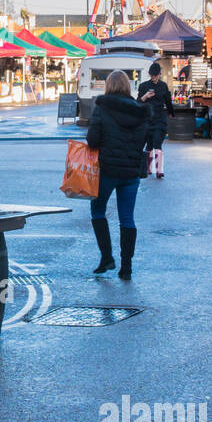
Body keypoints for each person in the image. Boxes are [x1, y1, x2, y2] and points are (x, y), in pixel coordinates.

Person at [85, 69, 149, 279]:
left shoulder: (101, 107)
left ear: (109, 86)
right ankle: (126, 267)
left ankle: (106, 257)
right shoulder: (140, 111)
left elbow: (93, 140)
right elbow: (144, 140)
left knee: (97, 210)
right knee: (127, 218)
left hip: (107, 169)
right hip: (131, 171)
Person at [137, 61, 173, 178]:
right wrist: (146, 96)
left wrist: (171, 113)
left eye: (155, 75)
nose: (153, 78)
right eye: (151, 75)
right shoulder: (143, 86)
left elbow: (168, 101)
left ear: (159, 74)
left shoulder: (163, 86)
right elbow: (138, 102)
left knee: (158, 141)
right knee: (148, 144)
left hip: (159, 118)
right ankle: (148, 168)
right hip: (147, 118)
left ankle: (159, 170)